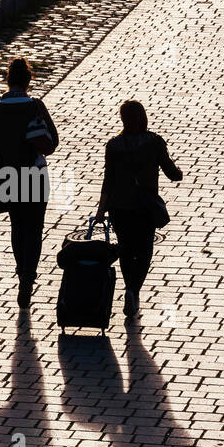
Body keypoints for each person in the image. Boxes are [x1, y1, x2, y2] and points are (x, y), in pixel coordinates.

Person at [94, 100, 182, 320]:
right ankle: (133, 290)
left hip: (119, 207)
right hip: (144, 206)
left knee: (125, 249)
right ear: (143, 117)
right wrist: (178, 172)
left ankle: (130, 288)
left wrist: (101, 209)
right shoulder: (154, 142)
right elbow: (172, 173)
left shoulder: (113, 145)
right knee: (144, 251)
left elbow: (108, 180)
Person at [0, 56, 59, 309]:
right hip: (35, 173)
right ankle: (29, 276)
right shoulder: (35, 106)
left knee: (17, 226)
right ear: (28, 81)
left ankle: (20, 271)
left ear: (8, 80)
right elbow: (53, 143)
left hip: (8, 176)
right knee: (35, 228)